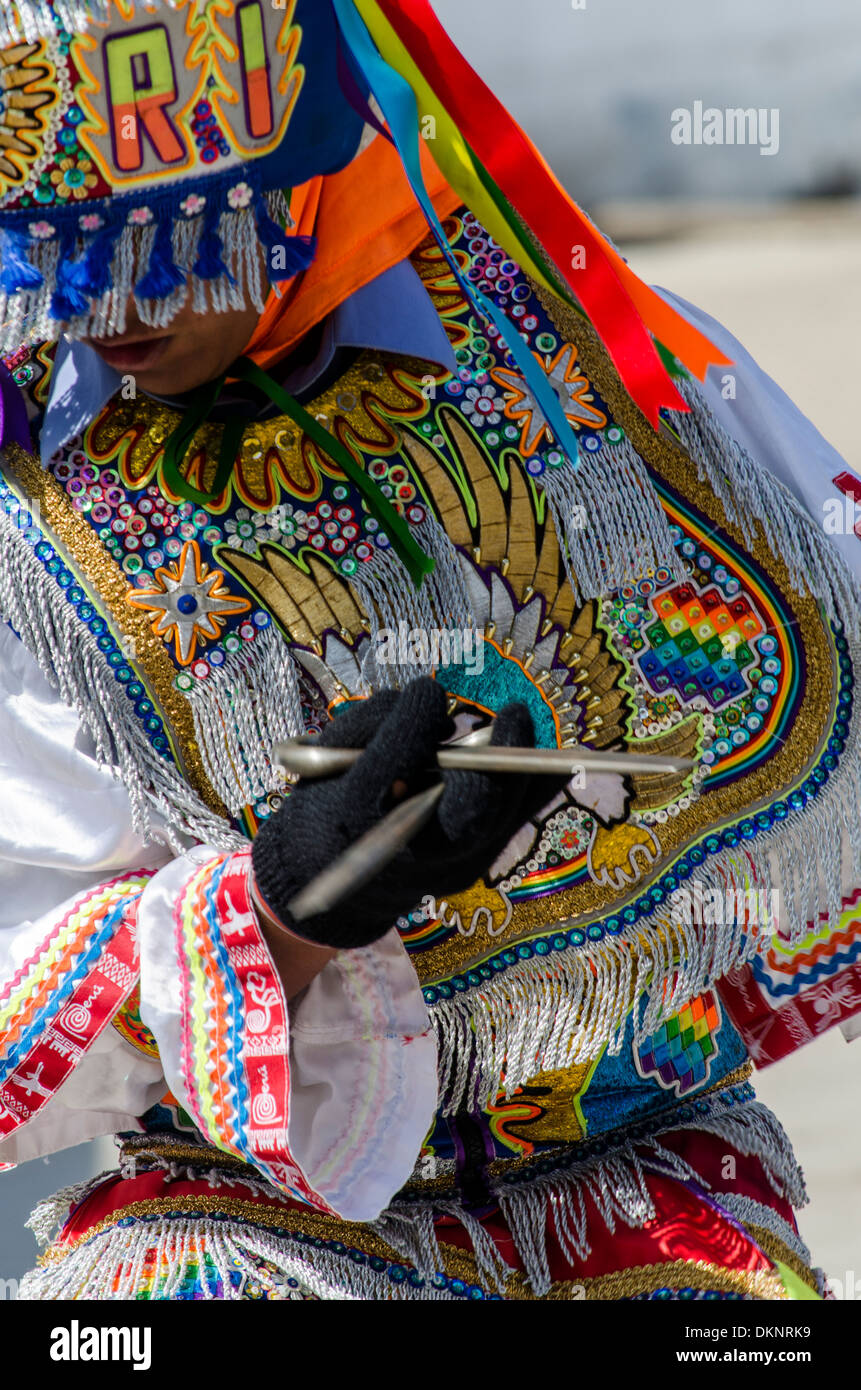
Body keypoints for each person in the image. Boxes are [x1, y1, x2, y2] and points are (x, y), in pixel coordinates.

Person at [0, 0, 858, 1301]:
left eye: (168, 249)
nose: (108, 314)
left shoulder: (570, 352)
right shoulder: (31, 515)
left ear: (292, 176)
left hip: (640, 1164)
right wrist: (282, 909)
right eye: (57, 263)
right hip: (236, 1201)